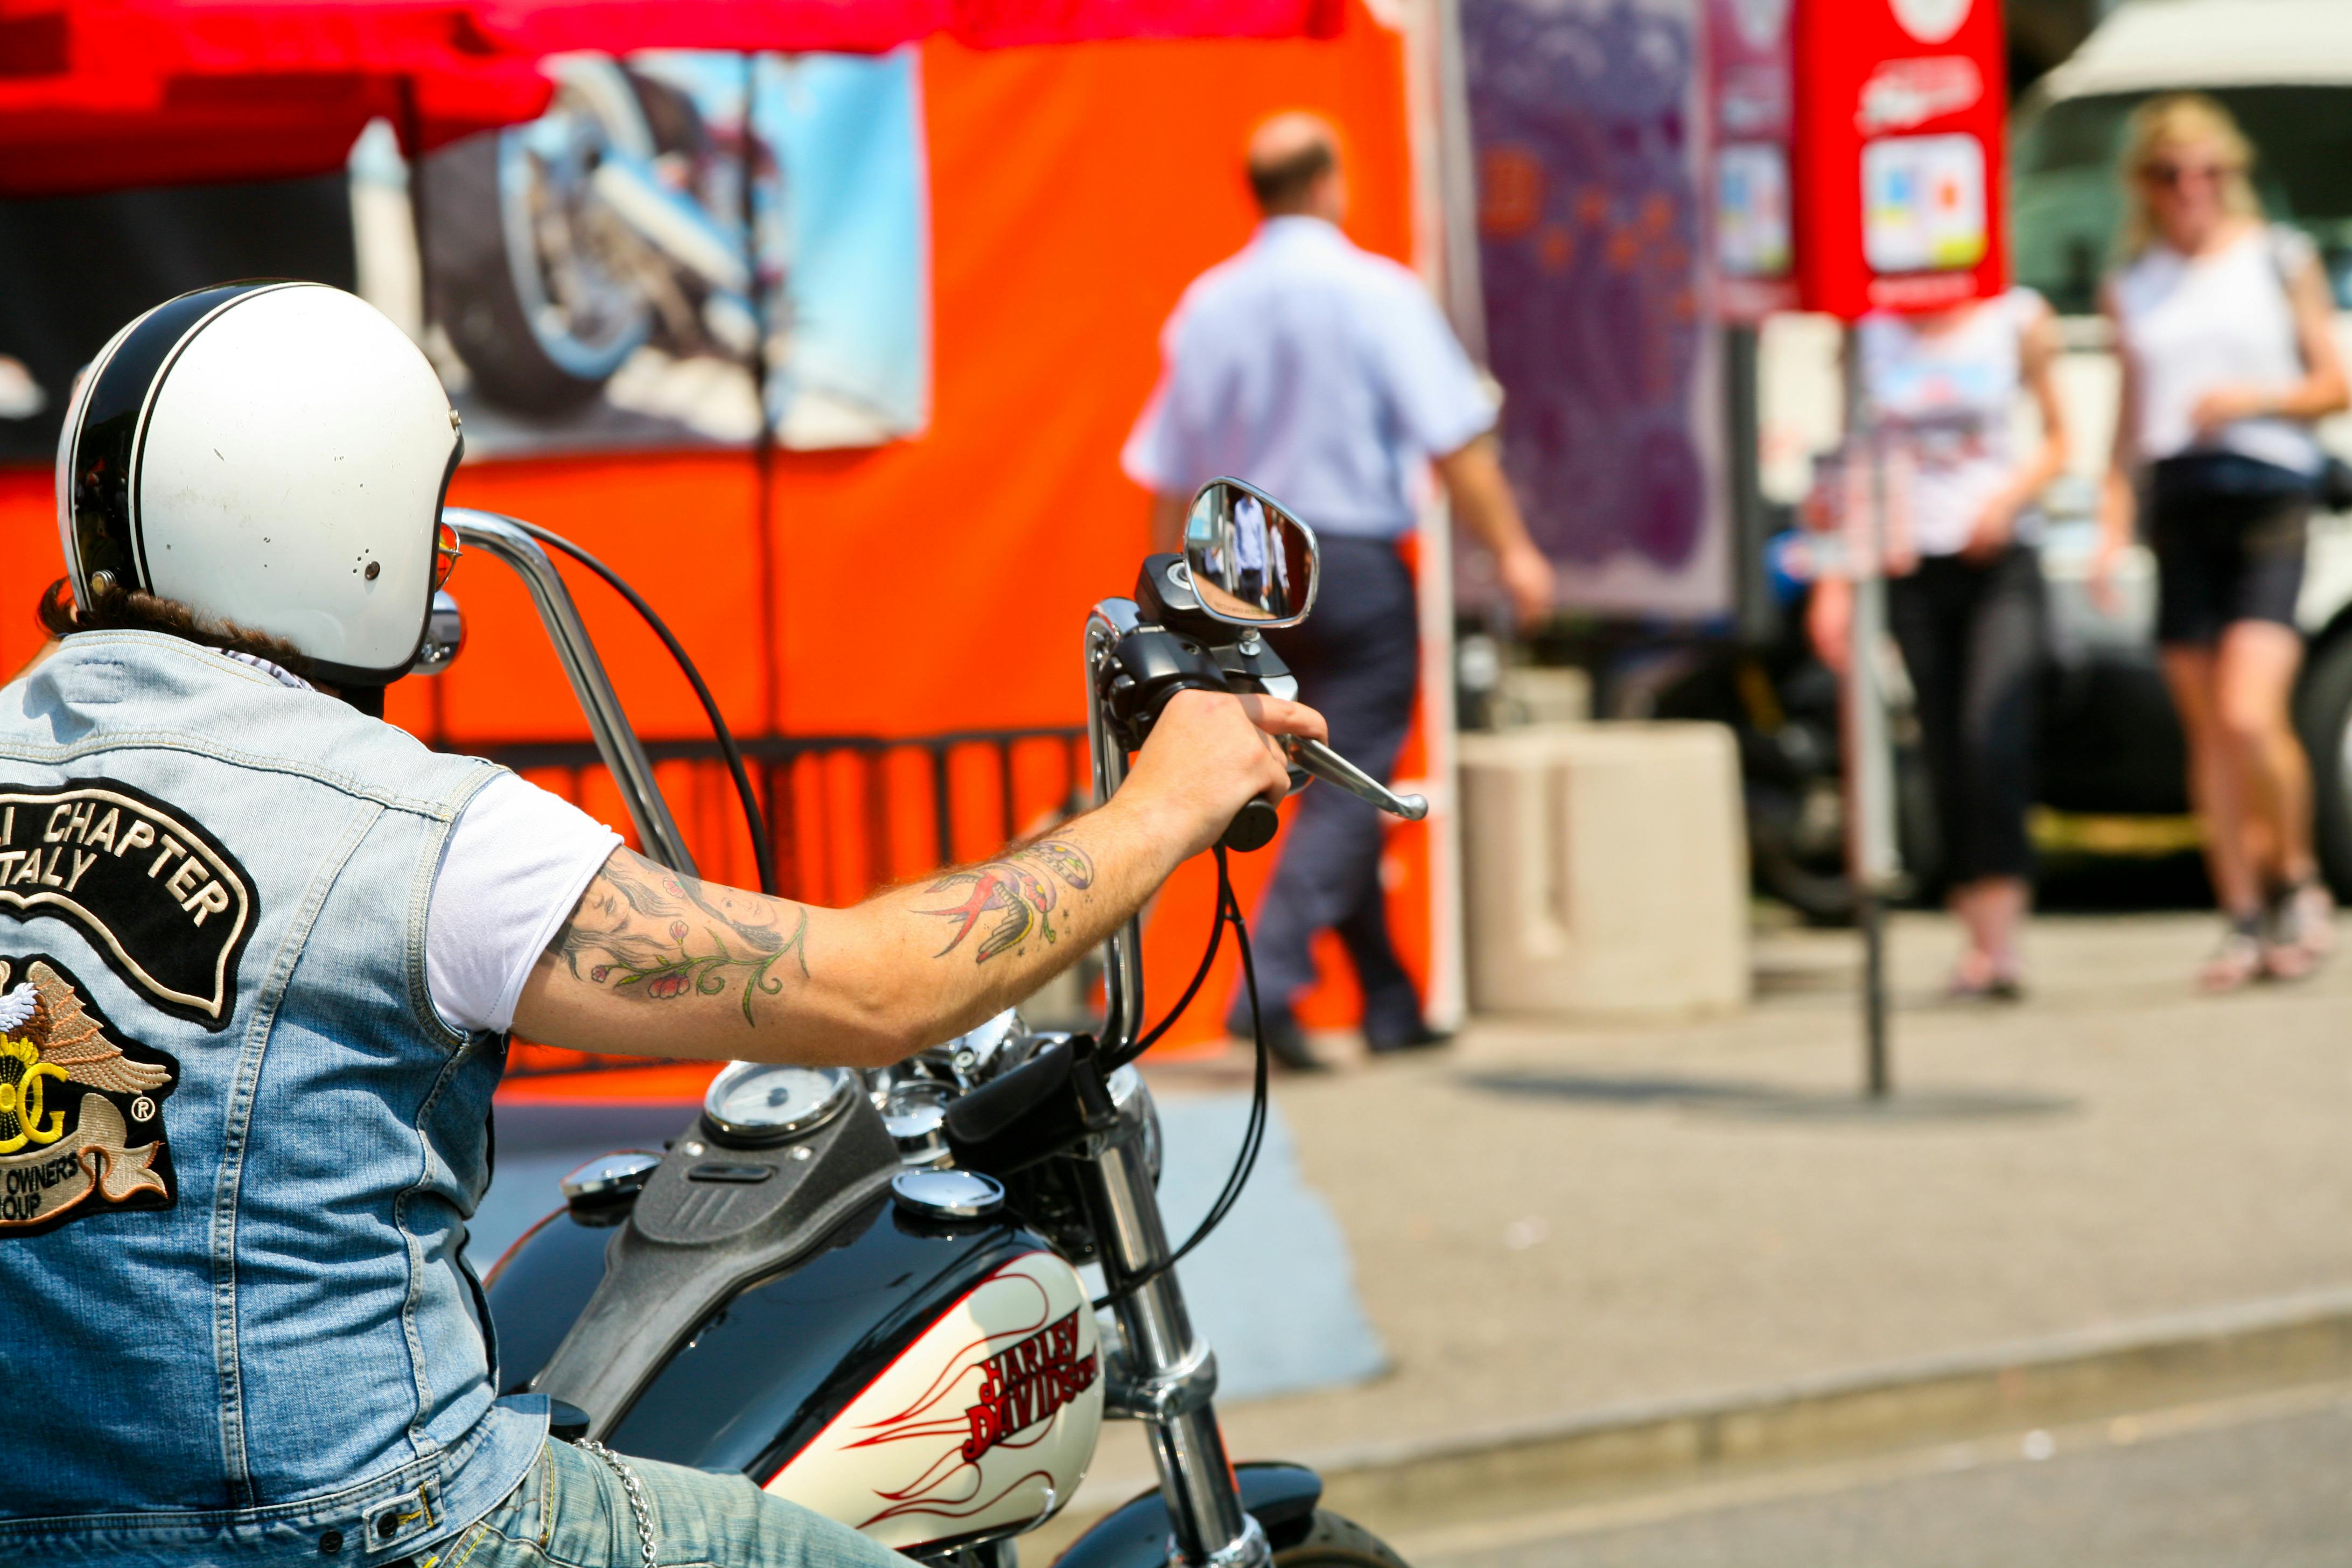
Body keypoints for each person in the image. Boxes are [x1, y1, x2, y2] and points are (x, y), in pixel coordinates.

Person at [3, 282, 1324, 1567]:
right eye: (429, 515)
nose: (446, 546)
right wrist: (1172, 797)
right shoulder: (426, 833)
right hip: (370, 1524)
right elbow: (877, 990)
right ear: (354, 523)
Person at [1123, 111, 1555, 1068]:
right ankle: (1270, 982)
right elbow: (1455, 438)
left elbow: (1166, 468)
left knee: (1323, 763)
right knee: (1352, 773)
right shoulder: (1374, 291)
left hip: (1233, 564)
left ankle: (1389, 1000)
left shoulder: (1209, 302)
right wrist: (1515, 551)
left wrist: (1167, 595)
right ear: (1330, 182)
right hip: (1347, 559)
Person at [2095, 94, 2349, 989]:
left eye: (2206, 171)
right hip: (2180, 500)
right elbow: (2127, 422)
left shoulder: (2279, 258)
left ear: (2231, 174)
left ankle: (2297, 876)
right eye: (2169, 175)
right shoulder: (2133, 283)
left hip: (2268, 489)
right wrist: (2110, 519)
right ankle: (2241, 912)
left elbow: (2336, 384)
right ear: (2145, 186)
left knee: (2251, 711)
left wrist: (2254, 399)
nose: (2189, 190)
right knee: (2206, 729)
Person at [1807, 288, 2069, 999]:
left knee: (1994, 734)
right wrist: (1835, 578)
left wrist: (2007, 500)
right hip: (1909, 561)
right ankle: (1975, 939)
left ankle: (2004, 939)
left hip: (2000, 560)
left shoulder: (2016, 317)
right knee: (1946, 746)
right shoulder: (1869, 323)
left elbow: (2059, 437)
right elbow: (1849, 457)